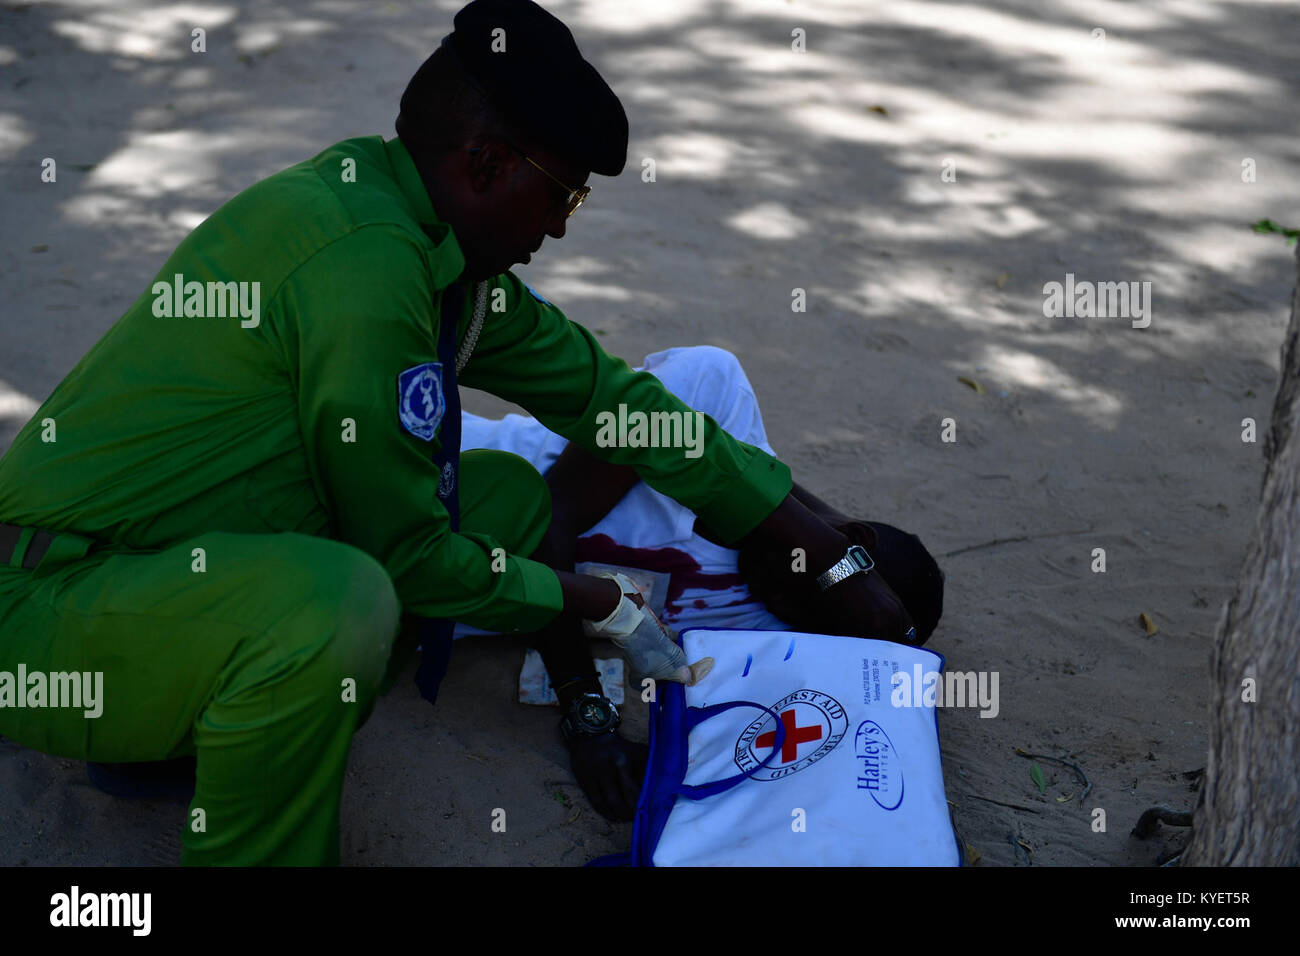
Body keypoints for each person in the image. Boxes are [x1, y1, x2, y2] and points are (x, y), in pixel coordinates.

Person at [0, 0, 915, 865]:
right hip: (53, 607)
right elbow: (402, 558)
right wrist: (597, 603)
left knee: (506, 498)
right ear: (486, 165)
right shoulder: (364, 265)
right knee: (340, 602)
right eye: (563, 195)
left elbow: (614, 401)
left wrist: (807, 537)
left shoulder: (424, 241)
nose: (558, 228)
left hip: (167, 573)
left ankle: (182, 733)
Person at [458, 345, 944, 820]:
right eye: (800, 590)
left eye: (799, 619)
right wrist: (589, 720)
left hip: (431, 604)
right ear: (843, 542)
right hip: (437, 479)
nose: (774, 605)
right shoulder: (713, 392)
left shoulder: (768, 622)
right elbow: (549, 522)